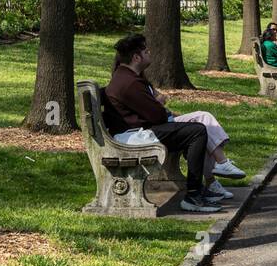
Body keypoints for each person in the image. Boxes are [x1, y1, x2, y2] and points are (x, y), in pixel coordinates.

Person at [104, 33, 246, 214]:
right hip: (133, 136)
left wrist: (160, 109)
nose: (150, 53)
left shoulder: (128, 77)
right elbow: (157, 116)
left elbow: (154, 113)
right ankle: (194, 195)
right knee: (197, 131)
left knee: (197, 128)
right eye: (146, 50)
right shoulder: (129, 81)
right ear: (136, 57)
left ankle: (202, 187)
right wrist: (160, 106)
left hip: (138, 130)